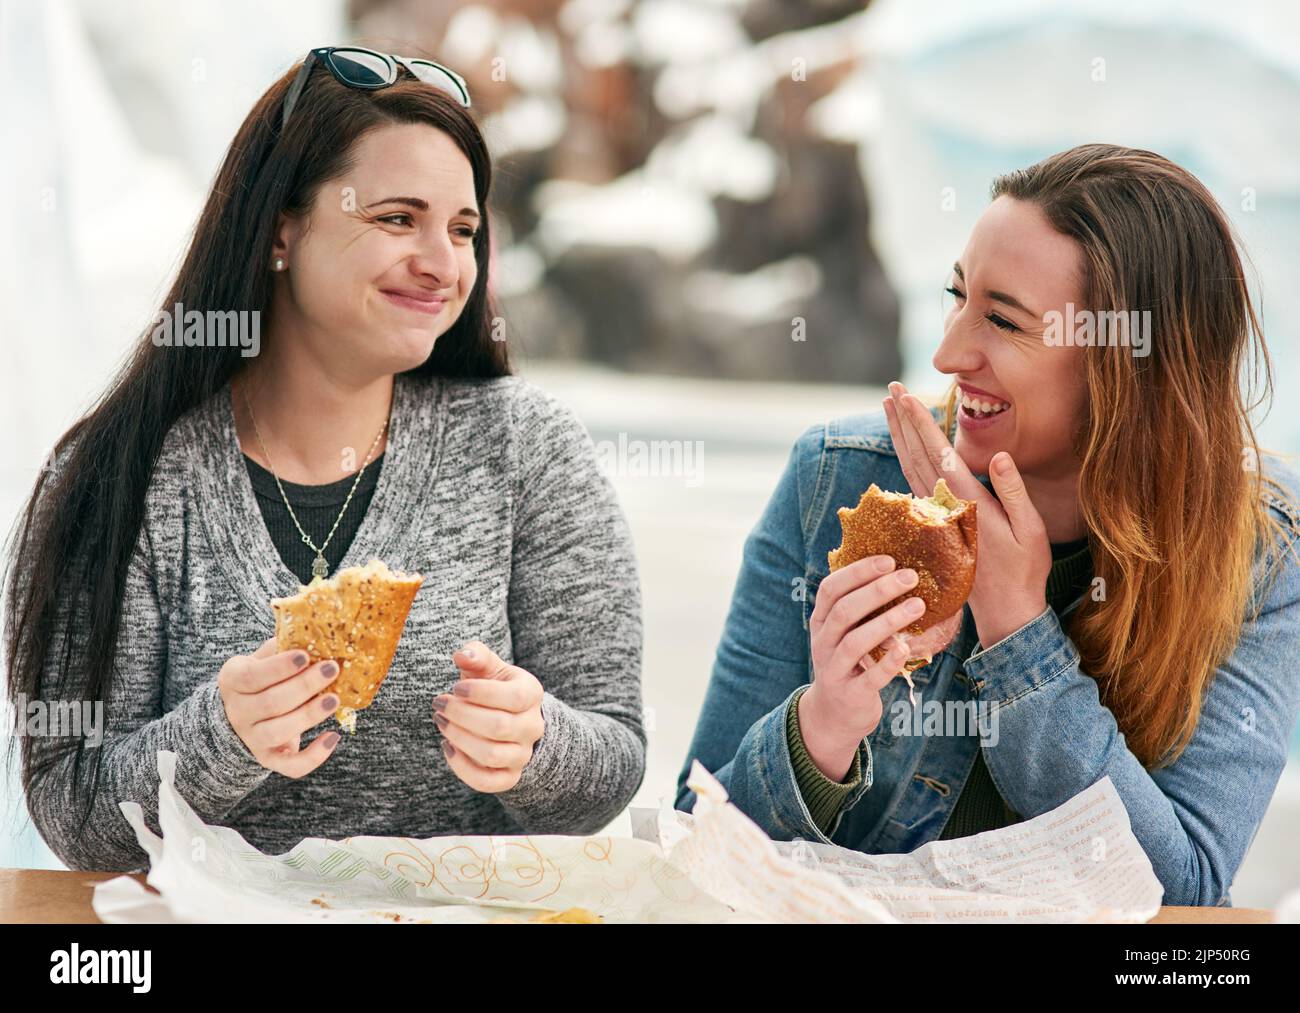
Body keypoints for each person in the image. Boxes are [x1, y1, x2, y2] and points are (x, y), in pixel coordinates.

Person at [5, 46, 645, 872]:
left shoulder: (530, 451)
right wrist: (219, 738)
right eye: (396, 218)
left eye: (462, 229)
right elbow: (72, 814)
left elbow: (616, 756)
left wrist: (538, 745)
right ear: (281, 228)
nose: (443, 264)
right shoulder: (118, 476)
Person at [676, 143, 1300, 907]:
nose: (946, 353)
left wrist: (1016, 631)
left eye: (1003, 320)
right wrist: (822, 731)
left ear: (1131, 366)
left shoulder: (1261, 553)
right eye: (957, 294)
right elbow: (692, 848)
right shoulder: (834, 480)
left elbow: (1182, 897)